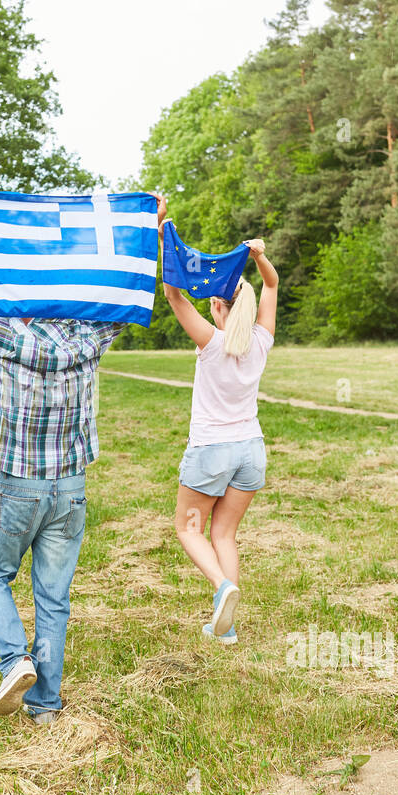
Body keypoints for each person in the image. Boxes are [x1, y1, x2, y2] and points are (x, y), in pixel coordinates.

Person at [0, 186, 161, 725]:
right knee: (53, 598)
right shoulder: (93, 329)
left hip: (19, 483)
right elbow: (121, 286)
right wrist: (147, 229)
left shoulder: (1, 330)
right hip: (70, 487)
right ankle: (45, 705)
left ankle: (14, 659)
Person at [162, 237, 279, 644]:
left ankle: (221, 587)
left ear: (217, 306)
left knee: (189, 529)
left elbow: (172, 294)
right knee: (225, 534)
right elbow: (273, 285)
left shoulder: (210, 343)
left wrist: (167, 243)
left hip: (211, 453)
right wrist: (259, 257)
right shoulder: (262, 341)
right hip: (251, 452)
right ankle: (224, 628)